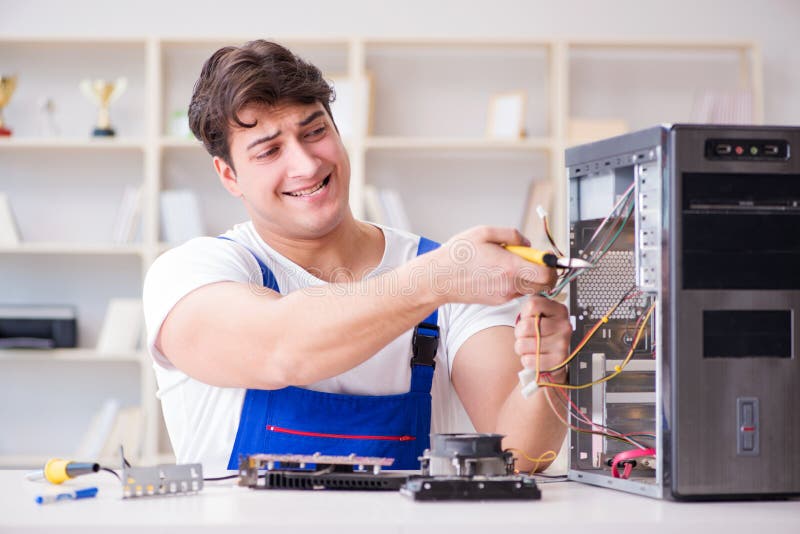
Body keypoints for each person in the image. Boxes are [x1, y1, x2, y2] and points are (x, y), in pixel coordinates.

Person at [143, 40, 572, 476]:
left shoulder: (447, 274)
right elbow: (283, 348)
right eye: (269, 151)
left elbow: (520, 453)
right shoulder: (190, 274)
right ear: (229, 175)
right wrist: (437, 280)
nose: (306, 165)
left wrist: (549, 370)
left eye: (314, 132)